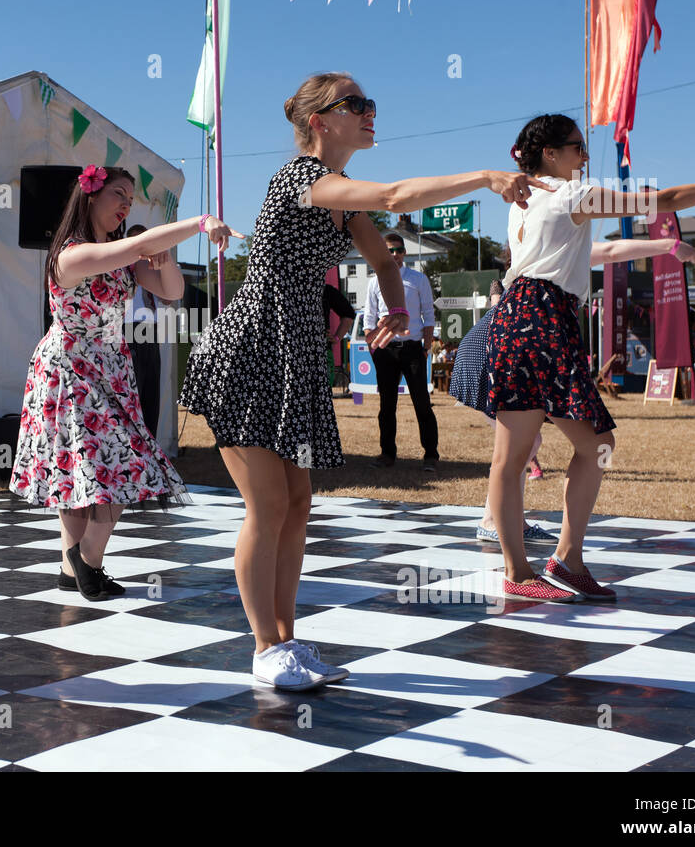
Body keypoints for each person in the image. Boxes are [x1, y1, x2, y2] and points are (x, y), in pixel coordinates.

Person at [179, 71, 552, 691]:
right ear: (320, 121)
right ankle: (264, 648)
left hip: (293, 352)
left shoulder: (341, 196)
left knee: (297, 506)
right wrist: (485, 177)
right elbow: (397, 195)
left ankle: (287, 641)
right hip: (251, 348)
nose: (371, 112)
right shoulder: (303, 179)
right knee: (268, 507)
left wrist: (398, 309)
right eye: (357, 104)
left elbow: (383, 258)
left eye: (370, 102)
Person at [485, 113, 695, 601]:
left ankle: (553, 564)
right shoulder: (569, 195)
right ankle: (535, 570)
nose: (585, 157)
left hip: (525, 317)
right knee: (563, 448)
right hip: (540, 319)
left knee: (554, 450)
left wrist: (664, 245)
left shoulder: (526, 201)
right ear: (549, 153)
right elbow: (665, 201)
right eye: (576, 147)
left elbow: (603, 251)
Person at [10, 165, 239, 602]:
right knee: (100, 465)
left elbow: (172, 291)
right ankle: (86, 559)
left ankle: (73, 564)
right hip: (71, 367)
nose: (125, 206)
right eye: (118, 194)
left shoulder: (119, 256)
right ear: (91, 197)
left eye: (130, 200)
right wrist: (199, 222)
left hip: (110, 364)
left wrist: (165, 257)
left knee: (97, 465)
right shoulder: (71, 254)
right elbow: (136, 246)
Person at [456, 238, 695, 542]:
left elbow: (610, 251)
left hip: (501, 343)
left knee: (525, 444)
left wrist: (669, 246)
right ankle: (494, 523)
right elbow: (611, 251)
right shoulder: (556, 250)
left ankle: (505, 524)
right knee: (521, 445)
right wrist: (670, 245)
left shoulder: (540, 254)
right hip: (496, 347)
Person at [364, 236, 439, 470]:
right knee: (387, 405)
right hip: (385, 351)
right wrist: (373, 347)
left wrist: (426, 347)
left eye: (398, 250)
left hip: (413, 348)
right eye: (389, 251)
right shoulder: (374, 281)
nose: (394, 254)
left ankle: (430, 455)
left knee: (422, 403)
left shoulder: (418, 279)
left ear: (404, 253)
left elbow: (429, 314)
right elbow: (369, 316)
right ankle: (387, 454)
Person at [124, 223, 164, 435]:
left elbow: (167, 299)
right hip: (128, 331)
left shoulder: (152, 268)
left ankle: (150, 447)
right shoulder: (121, 266)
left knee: (150, 394)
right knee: (134, 393)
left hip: (150, 332)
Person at [322, 282, 356, 388]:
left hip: (322, 353)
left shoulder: (326, 290)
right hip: (288, 352)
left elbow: (349, 314)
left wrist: (336, 338)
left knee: (322, 394)